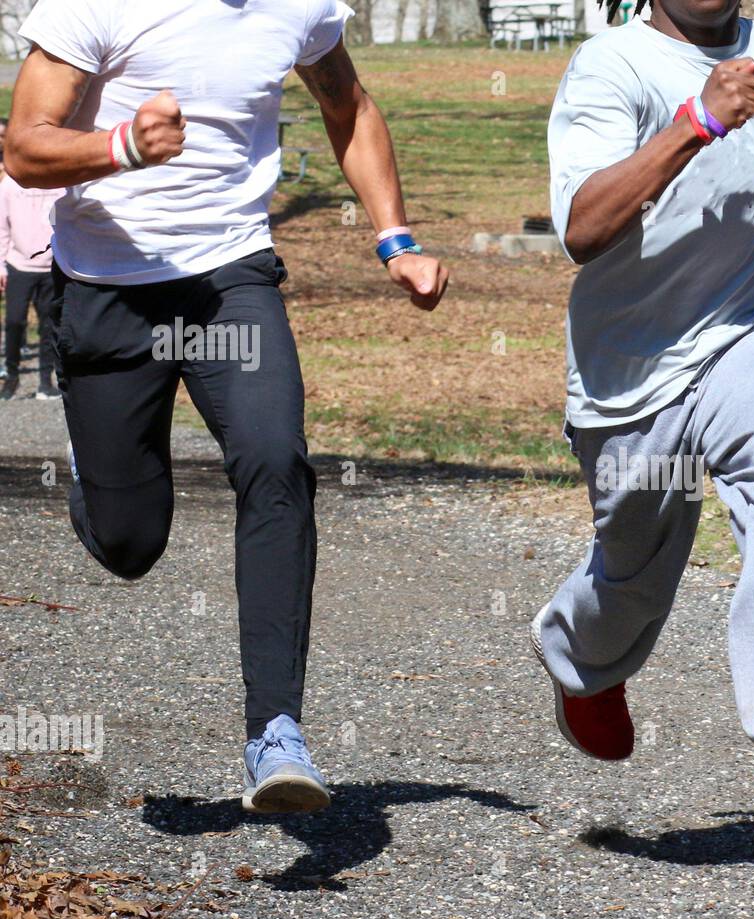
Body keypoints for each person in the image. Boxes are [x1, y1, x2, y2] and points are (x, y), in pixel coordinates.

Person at [5, 0, 449, 813]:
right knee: (130, 544)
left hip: (227, 281)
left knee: (276, 461)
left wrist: (396, 239)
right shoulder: (90, 6)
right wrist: (122, 146)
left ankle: (276, 733)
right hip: (106, 287)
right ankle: (94, 473)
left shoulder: (301, 6)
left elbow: (347, 105)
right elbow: (24, 149)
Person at [533, 0, 754, 818]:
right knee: (634, 567)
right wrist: (696, 120)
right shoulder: (610, 65)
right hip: (631, 366)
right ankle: (582, 653)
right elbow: (582, 228)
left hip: (752, 328)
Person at [0, 172, 63, 399]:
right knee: (14, 322)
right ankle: (12, 378)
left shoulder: (59, 180)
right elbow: (2, 227)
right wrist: (1, 265)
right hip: (18, 265)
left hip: (51, 266)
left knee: (48, 326)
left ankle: (46, 382)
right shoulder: (9, 184)